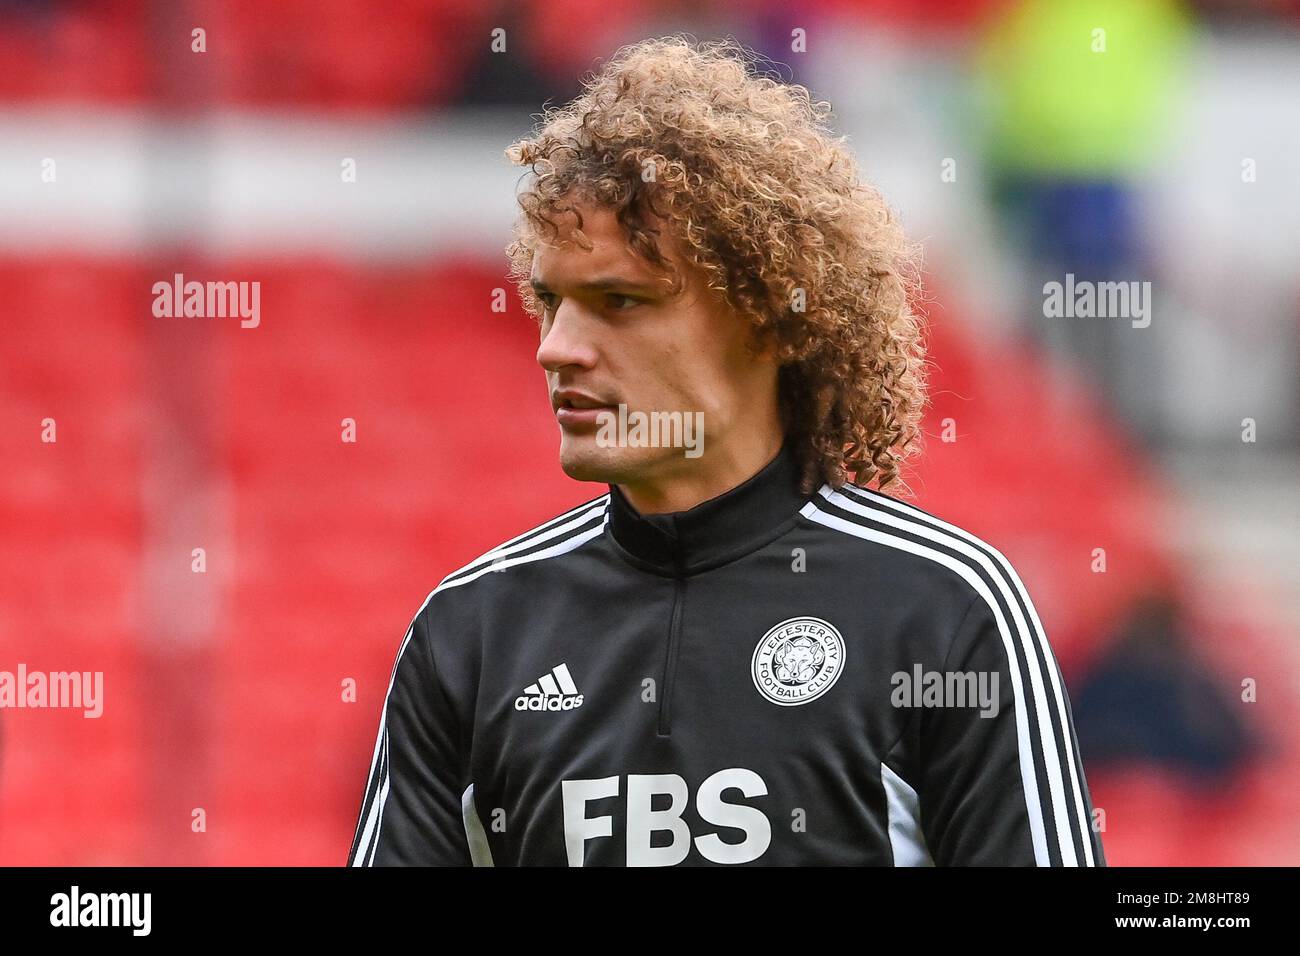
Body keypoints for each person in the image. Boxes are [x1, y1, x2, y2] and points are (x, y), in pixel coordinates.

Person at [347, 36, 1104, 866]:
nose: (556, 348)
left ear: (771, 317)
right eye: (553, 301)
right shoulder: (473, 631)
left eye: (620, 301)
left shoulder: (943, 609)